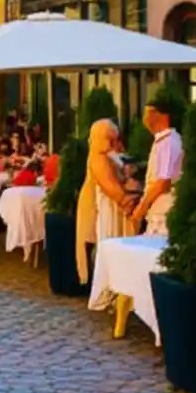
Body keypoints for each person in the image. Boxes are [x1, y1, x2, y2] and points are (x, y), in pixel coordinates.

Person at [75, 119, 135, 284]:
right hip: (103, 208)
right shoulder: (98, 157)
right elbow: (110, 185)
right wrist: (126, 201)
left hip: (114, 208)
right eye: (111, 138)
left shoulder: (110, 155)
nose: (115, 142)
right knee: (105, 244)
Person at [128, 97, 183, 236]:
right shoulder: (161, 141)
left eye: (149, 113)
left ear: (162, 115)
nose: (146, 118)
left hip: (164, 213)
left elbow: (163, 181)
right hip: (157, 211)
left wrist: (142, 207)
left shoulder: (169, 142)